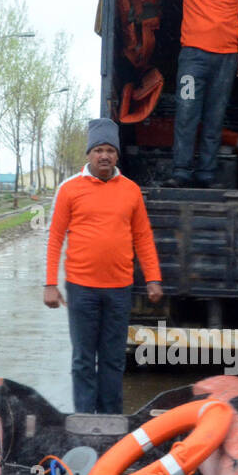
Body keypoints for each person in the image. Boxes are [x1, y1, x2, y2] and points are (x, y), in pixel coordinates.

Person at [117, 0, 238, 187]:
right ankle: (181, 171)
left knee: (215, 116)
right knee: (187, 111)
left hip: (226, 61)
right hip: (193, 59)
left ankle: (206, 174)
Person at [45, 118, 164, 414]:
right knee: (84, 358)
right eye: (99, 150)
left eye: (110, 150)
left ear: (117, 155)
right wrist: (50, 283)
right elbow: (55, 238)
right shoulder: (70, 189)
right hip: (81, 288)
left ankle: (111, 419)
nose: (104, 156)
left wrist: (153, 278)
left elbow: (143, 237)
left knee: (113, 358)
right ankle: (85, 418)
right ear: (89, 154)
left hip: (119, 289)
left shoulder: (131, 191)